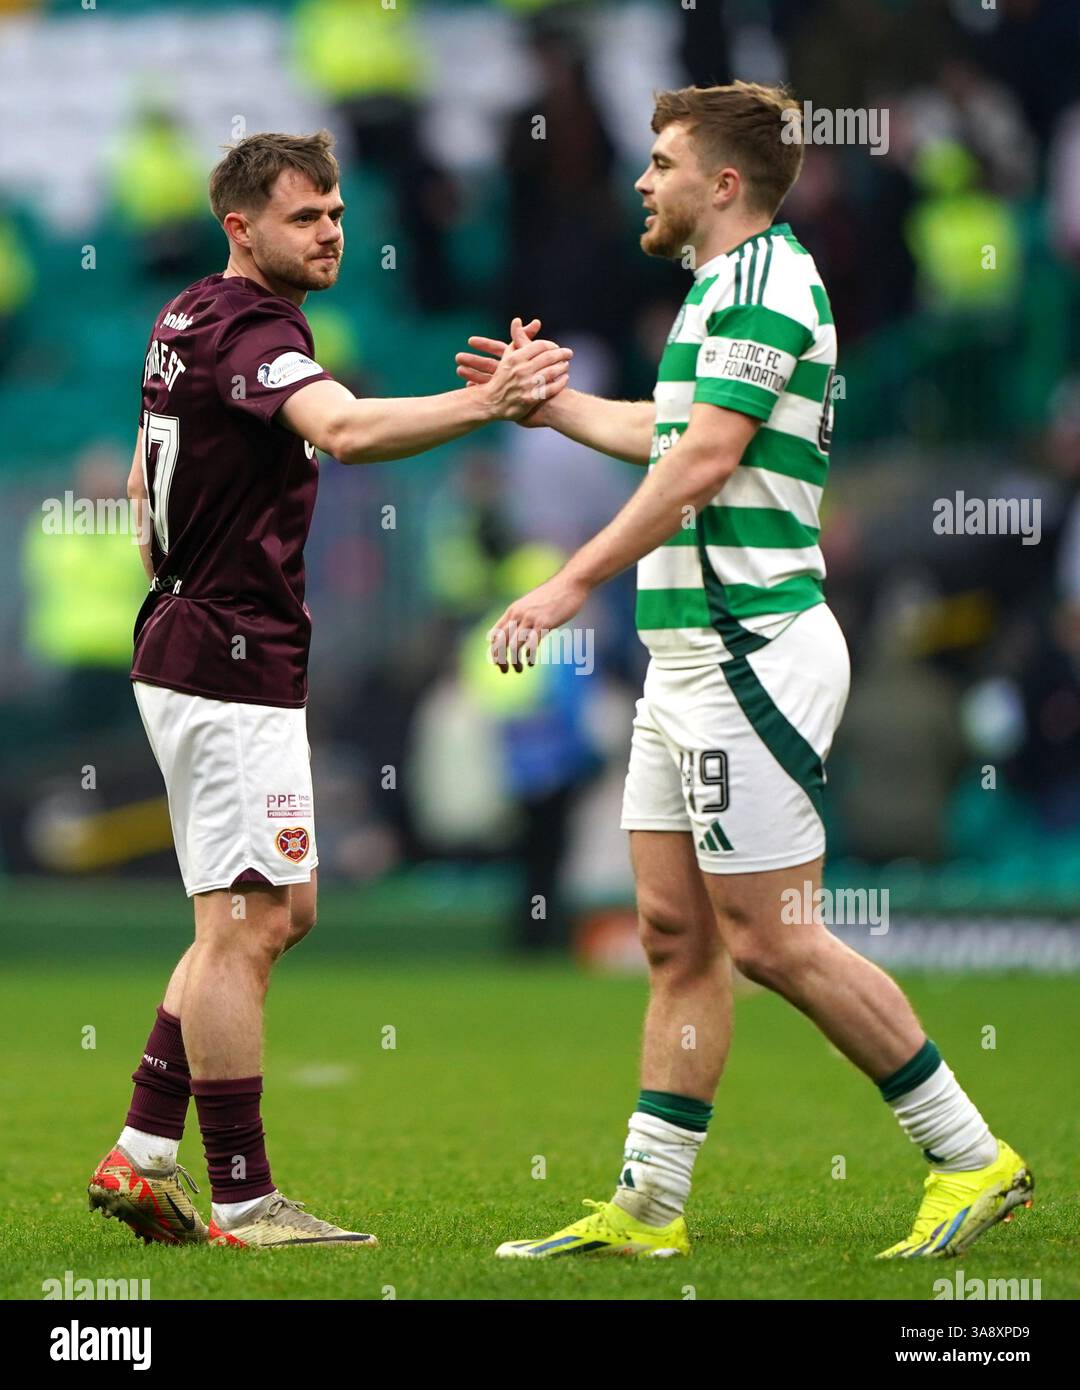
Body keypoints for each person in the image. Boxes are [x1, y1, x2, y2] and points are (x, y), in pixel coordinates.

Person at [456, 82, 1033, 1260]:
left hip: (748, 643)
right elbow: (671, 431)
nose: (642, 179)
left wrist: (573, 580)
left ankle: (972, 1154)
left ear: (723, 184)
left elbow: (704, 462)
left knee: (774, 938)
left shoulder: (769, 283)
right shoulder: (724, 289)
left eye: (662, 161)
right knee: (675, 933)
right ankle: (649, 1205)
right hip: (689, 654)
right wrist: (550, 403)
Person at [87, 129, 571, 1251]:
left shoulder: (186, 316)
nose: (333, 233)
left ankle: (144, 1152)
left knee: (275, 914)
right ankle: (247, 1201)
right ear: (241, 227)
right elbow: (345, 430)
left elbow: (134, 473)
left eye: (340, 213)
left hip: (209, 646)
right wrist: (491, 402)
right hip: (223, 659)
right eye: (307, 217)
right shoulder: (255, 328)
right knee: (242, 926)